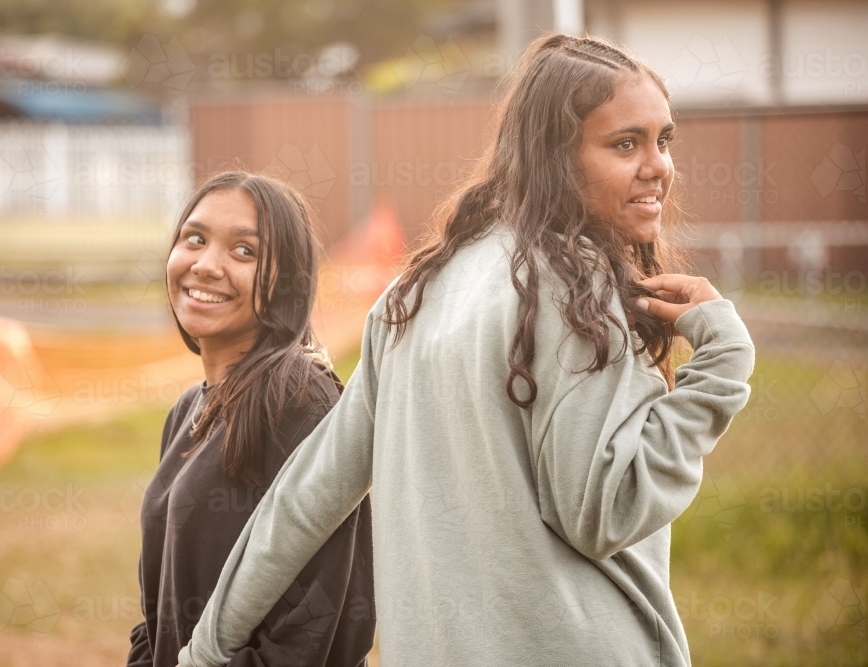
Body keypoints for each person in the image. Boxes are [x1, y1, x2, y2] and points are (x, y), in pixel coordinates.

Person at [178, 34, 755, 667]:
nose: (658, 167)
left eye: (663, 139)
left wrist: (204, 652)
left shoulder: (412, 294)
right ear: (556, 155)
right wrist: (721, 368)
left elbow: (303, 499)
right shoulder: (573, 286)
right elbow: (605, 510)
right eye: (625, 144)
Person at [127, 171, 375, 667]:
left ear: (287, 283)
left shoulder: (301, 405)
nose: (206, 265)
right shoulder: (187, 412)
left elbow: (323, 628)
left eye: (245, 252)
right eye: (194, 239)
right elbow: (158, 612)